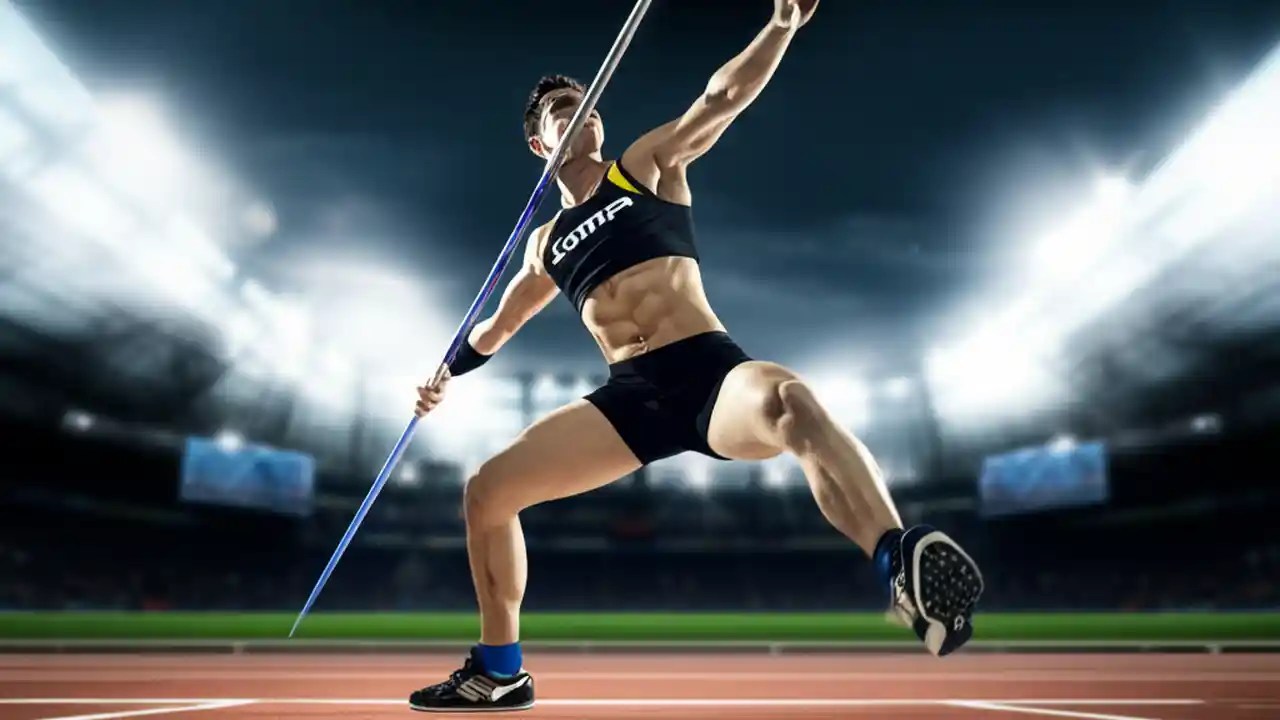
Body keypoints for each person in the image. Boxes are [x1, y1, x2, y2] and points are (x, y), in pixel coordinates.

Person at [408, 0, 983, 712]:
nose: (581, 109)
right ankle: (501, 672)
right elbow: (495, 328)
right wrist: (444, 374)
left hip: (709, 373)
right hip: (630, 398)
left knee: (790, 401)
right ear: (538, 142)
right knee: (487, 492)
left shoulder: (642, 167)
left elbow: (721, 99)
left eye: (587, 102)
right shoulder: (543, 243)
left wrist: (780, 26)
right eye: (561, 108)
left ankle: (897, 561)